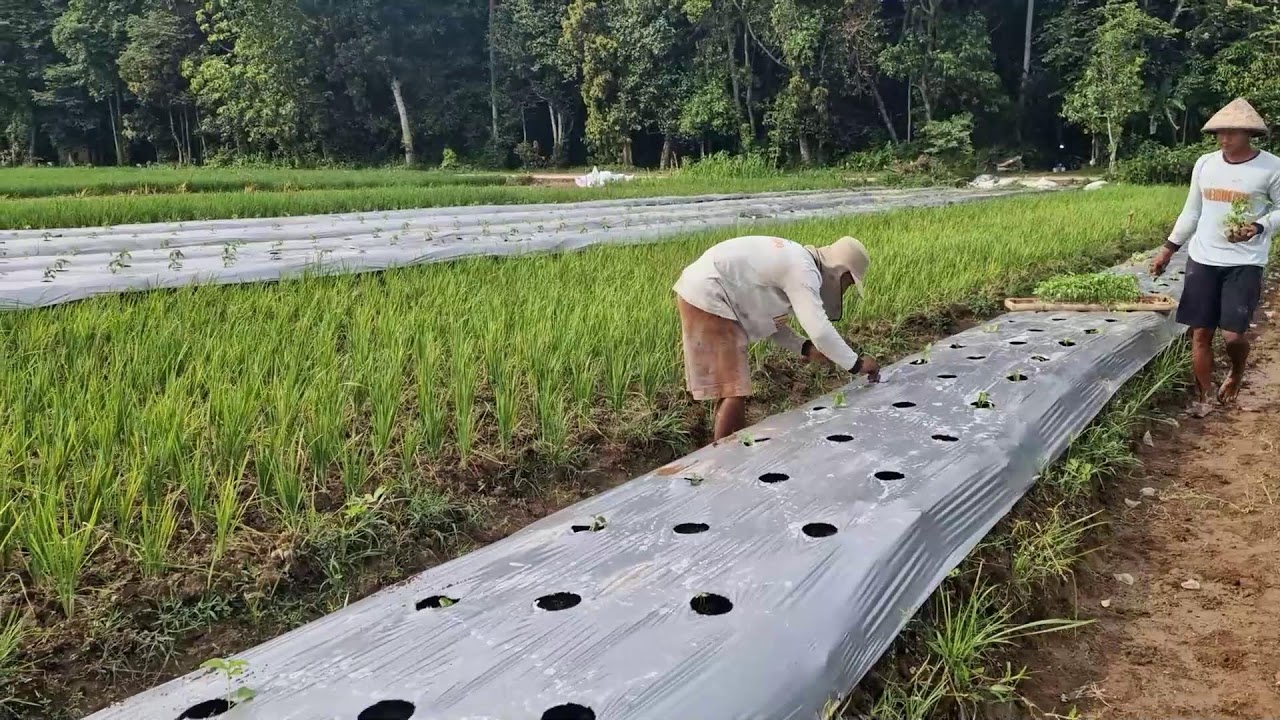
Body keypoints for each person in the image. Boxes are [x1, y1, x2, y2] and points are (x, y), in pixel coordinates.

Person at [672, 235, 880, 441]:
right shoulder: (803, 270)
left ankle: (724, 452)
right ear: (840, 271)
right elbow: (820, 331)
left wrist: (806, 348)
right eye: (848, 284)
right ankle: (727, 464)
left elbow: (769, 325)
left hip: (704, 289)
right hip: (710, 293)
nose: (844, 290)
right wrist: (858, 364)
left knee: (730, 389)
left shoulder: (798, 262)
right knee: (734, 389)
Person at [1150, 97, 1280, 416]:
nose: (1225, 139)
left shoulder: (1271, 167)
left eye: (1232, 133)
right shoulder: (1206, 164)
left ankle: (1236, 372)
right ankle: (1204, 398)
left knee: (1233, 335)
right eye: (1220, 133)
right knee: (1201, 333)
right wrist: (1169, 248)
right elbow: (1192, 210)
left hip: (1245, 262)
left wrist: (1258, 226)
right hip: (1203, 258)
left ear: (1249, 134)